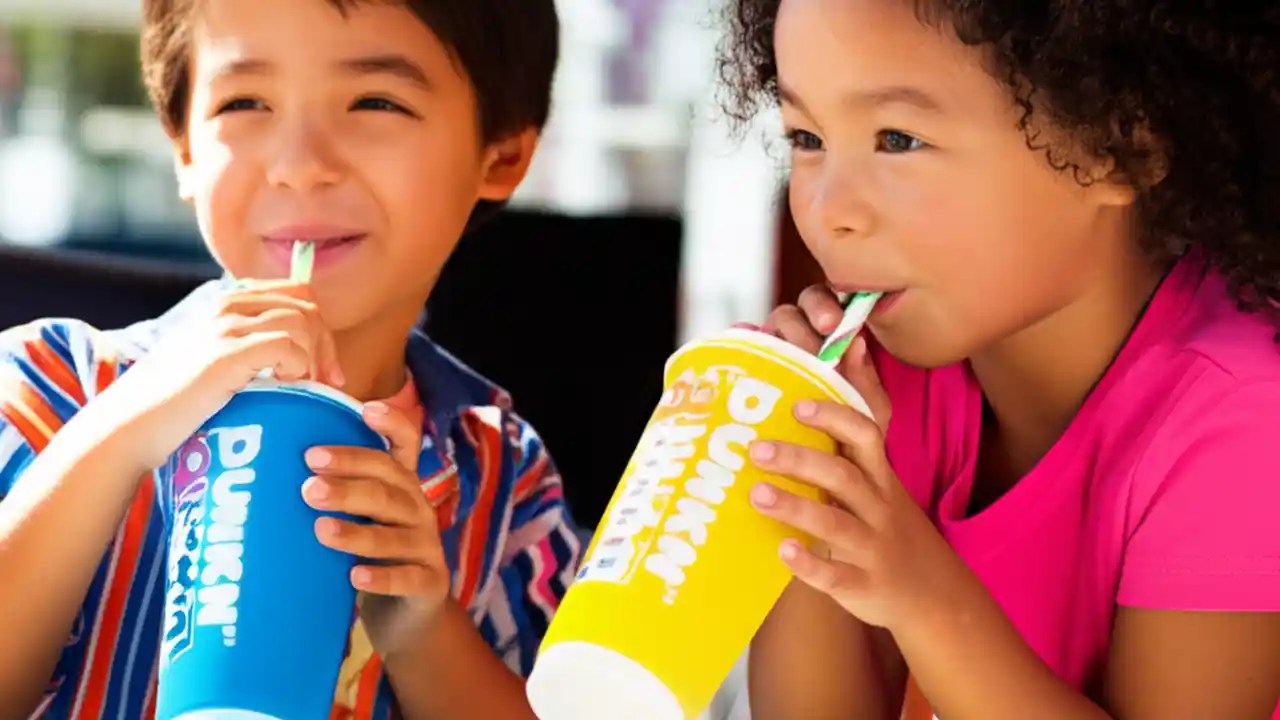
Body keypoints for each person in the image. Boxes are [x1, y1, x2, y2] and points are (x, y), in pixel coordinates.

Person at [0, 1, 580, 717]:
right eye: (245, 101)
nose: (300, 166)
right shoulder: (48, 389)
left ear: (501, 155)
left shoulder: (501, 475)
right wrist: (114, 438)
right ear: (184, 146)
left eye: (375, 101)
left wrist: (426, 630)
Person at [720, 1, 1280, 718]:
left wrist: (921, 592)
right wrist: (801, 491)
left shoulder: (1241, 420)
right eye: (807, 136)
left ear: (1117, 150)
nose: (831, 209)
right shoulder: (890, 379)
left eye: (897, 139)